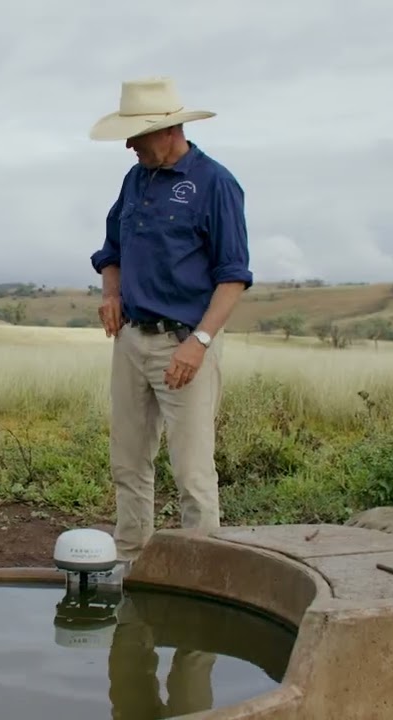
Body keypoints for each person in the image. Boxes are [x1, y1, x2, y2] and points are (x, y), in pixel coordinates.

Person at [88, 76, 253, 573]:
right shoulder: (134, 179)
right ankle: (130, 564)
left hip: (185, 343)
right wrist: (112, 293)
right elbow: (111, 251)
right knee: (128, 463)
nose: (129, 145)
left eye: (137, 135)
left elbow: (233, 277)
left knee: (192, 473)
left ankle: (201, 575)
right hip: (131, 340)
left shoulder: (216, 183)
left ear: (169, 130)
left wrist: (199, 343)